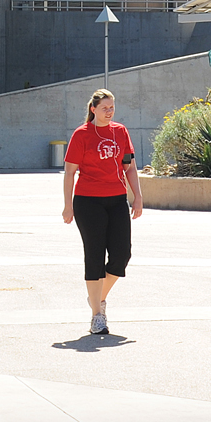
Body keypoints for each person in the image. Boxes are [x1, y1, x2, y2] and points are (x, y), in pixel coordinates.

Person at [62, 89, 143, 335]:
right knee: (94, 255)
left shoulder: (121, 132)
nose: (110, 112)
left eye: (112, 108)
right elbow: (69, 172)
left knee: (122, 255)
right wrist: (68, 205)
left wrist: (137, 196)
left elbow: (129, 166)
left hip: (116, 199)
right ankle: (98, 315)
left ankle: (96, 298)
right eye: (105, 108)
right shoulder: (82, 134)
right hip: (88, 202)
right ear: (93, 109)